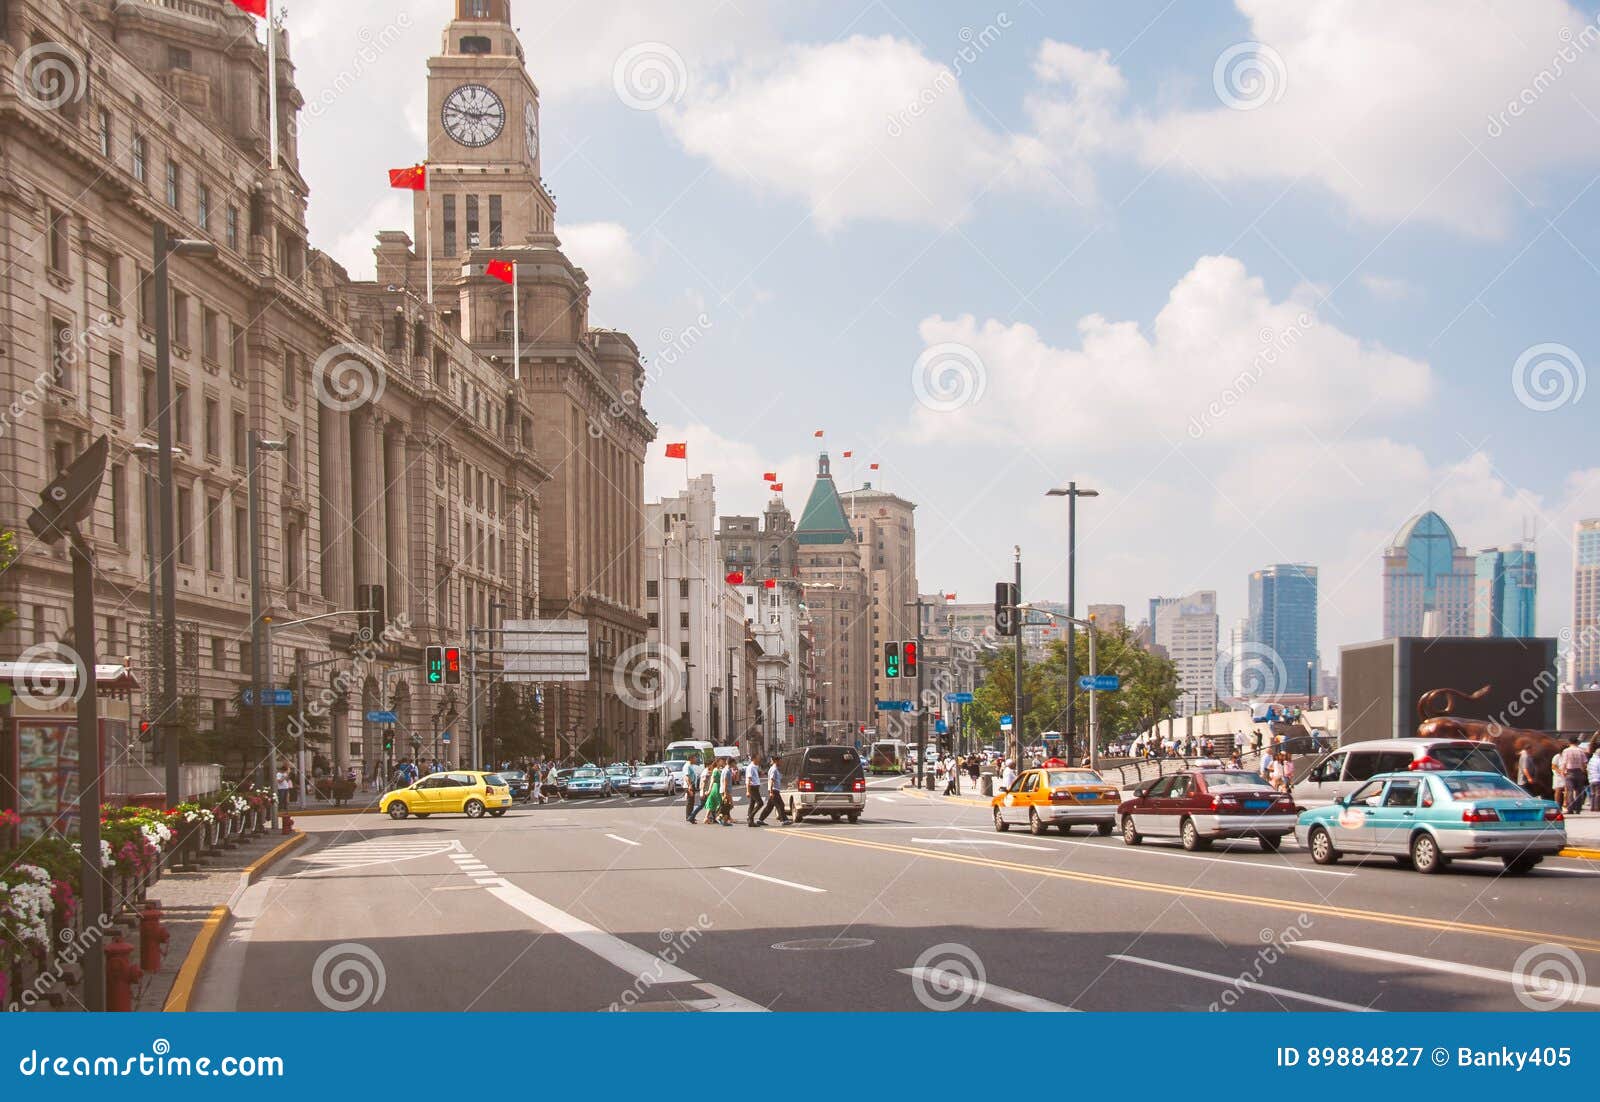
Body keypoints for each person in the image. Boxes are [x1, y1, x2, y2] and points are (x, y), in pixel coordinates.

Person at [757, 755, 791, 825]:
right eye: (780, 761)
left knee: (769, 806)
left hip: (774, 790)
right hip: (774, 790)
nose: (781, 762)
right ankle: (784, 820)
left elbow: (778, 779)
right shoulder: (774, 769)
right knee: (780, 805)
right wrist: (771, 792)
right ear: (776, 761)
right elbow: (771, 780)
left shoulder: (775, 769)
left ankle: (760, 820)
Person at [1560, 740, 1588, 815]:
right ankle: (1578, 809)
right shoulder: (1580, 751)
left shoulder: (1566, 751)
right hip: (1579, 772)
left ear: (1569, 743)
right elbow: (1584, 763)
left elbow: (1564, 762)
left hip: (1569, 772)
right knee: (1579, 792)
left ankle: (1570, 809)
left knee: (1569, 792)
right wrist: (1584, 772)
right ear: (1577, 743)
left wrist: (1563, 772)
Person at [745, 756, 764, 826]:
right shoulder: (751, 767)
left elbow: (757, 776)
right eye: (758, 758)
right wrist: (748, 791)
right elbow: (748, 779)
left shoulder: (755, 767)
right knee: (760, 803)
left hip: (755, 787)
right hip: (752, 788)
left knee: (752, 804)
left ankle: (751, 822)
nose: (759, 759)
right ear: (754, 759)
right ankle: (750, 817)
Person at [702, 760, 720, 826]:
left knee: (712, 802)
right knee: (719, 802)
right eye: (720, 762)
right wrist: (709, 790)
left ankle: (708, 818)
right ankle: (718, 817)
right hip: (716, 787)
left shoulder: (715, 770)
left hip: (715, 787)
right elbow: (711, 780)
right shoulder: (715, 770)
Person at [684, 758, 702, 823]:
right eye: (694, 759)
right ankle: (689, 817)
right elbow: (686, 777)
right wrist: (690, 786)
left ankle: (691, 816)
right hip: (690, 785)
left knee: (691, 802)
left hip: (692, 785)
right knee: (690, 802)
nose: (696, 760)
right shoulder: (687, 766)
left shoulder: (690, 766)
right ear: (691, 759)